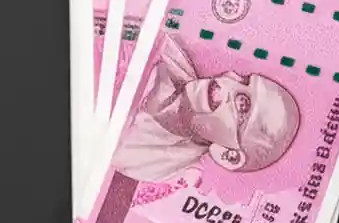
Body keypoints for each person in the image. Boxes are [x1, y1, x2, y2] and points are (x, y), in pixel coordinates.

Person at [112, 34, 300, 182]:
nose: (229, 77)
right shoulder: (167, 52)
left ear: (229, 155)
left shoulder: (151, 167)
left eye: (243, 104)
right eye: (243, 79)